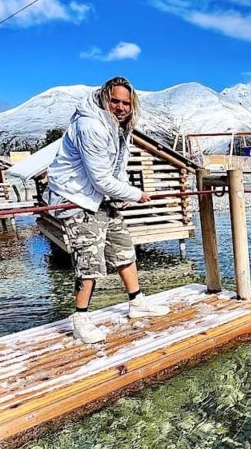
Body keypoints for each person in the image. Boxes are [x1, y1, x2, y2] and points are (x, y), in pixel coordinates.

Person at [46, 76, 169, 344]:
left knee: (123, 248)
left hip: (101, 198)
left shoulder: (121, 128)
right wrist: (137, 195)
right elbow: (100, 178)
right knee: (89, 261)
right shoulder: (91, 126)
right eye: (115, 101)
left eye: (126, 102)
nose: (121, 107)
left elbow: (117, 169)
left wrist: (122, 192)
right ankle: (80, 318)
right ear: (105, 99)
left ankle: (136, 302)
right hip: (76, 199)